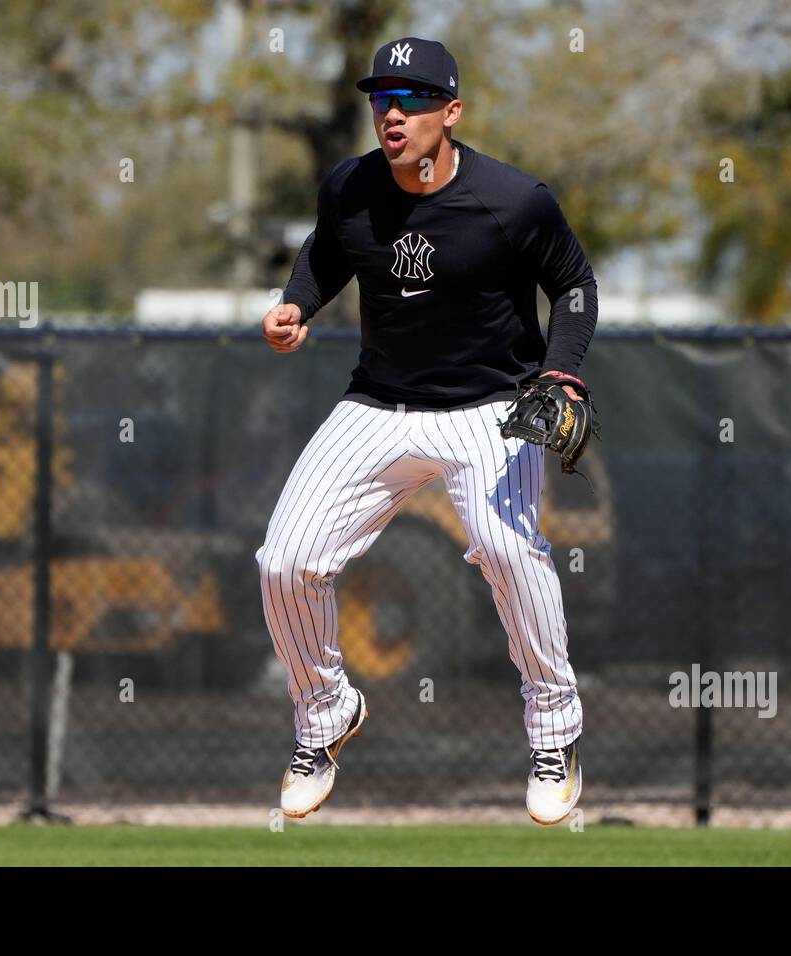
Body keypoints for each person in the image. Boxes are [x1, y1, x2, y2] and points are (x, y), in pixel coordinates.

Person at [256, 36, 598, 825]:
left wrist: (563, 370)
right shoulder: (350, 187)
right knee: (284, 561)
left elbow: (574, 284)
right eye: (382, 98)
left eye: (411, 99)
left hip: (489, 409)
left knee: (510, 548)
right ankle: (326, 714)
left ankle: (555, 731)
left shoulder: (514, 201)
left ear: (452, 111)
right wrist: (296, 306)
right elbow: (328, 251)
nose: (393, 112)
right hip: (378, 404)